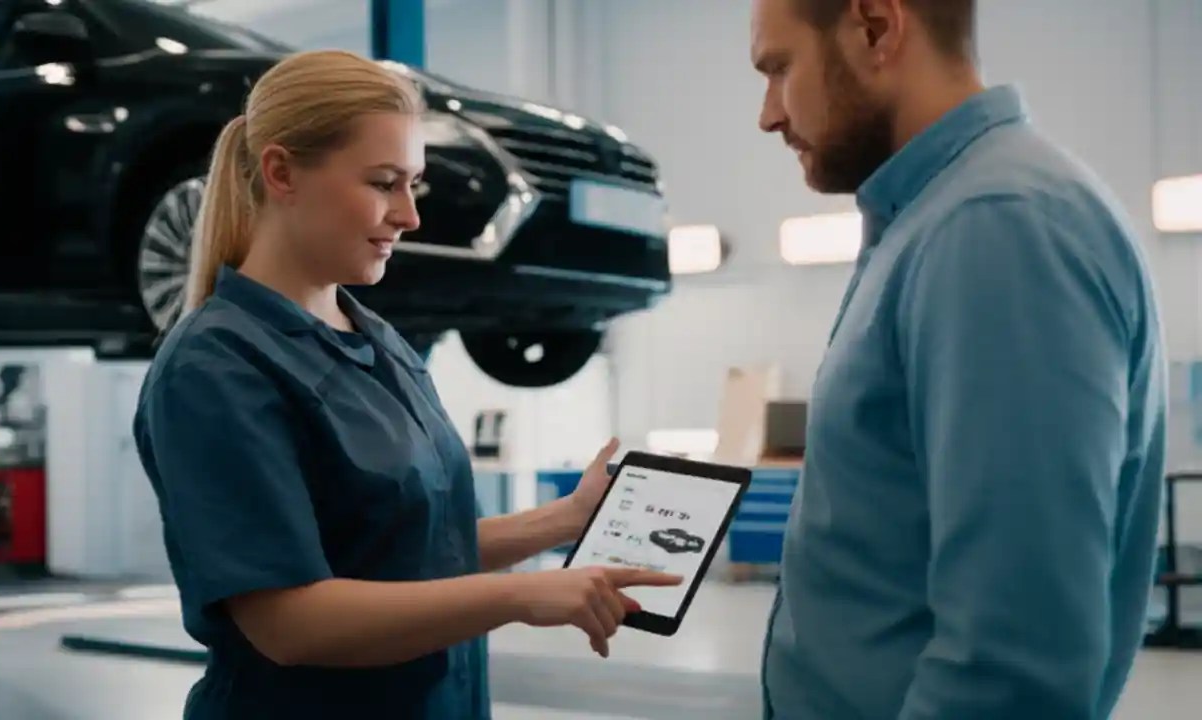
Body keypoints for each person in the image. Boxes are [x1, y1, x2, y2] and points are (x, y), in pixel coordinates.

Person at [131, 49, 681, 720]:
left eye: (412, 184)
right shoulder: (215, 367)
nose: (409, 216)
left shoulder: (378, 340)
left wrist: (567, 518)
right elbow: (289, 621)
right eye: (384, 182)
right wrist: (520, 597)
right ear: (281, 172)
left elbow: (409, 545)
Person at [749, 1, 1166, 718]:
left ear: (876, 27)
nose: (768, 115)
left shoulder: (998, 226)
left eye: (779, 68)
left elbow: (1013, 663)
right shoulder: (932, 217)